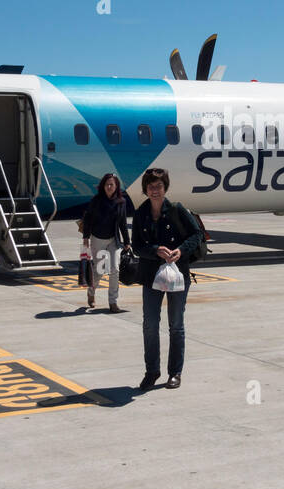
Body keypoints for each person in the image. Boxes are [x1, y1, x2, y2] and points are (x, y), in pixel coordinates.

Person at [131, 167, 202, 390]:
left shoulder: (177, 210)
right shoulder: (141, 213)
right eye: (151, 187)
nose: (155, 190)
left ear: (165, 188)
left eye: (159, 186)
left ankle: (175, 373)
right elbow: (137, 246)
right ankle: (152, 371)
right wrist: (155, 250)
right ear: (145, 189)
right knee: (150, 324)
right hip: (151, 275)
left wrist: (180, 250)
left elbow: (197, 234)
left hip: (178, 274)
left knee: (176, 325)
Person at [80, 172, 131, 312]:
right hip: (98, 239)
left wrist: (127, 241)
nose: (109, 187)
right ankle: (91, 292)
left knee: (115, 269)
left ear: (116, 186)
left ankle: (113, 302)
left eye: (112, 184)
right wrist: (86, 237)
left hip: (113, 240)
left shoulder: (121, 202)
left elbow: (122, 223)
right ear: (103, 186)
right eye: (107, 184)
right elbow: (88, 219)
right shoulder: (96, 201)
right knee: (99, 271)